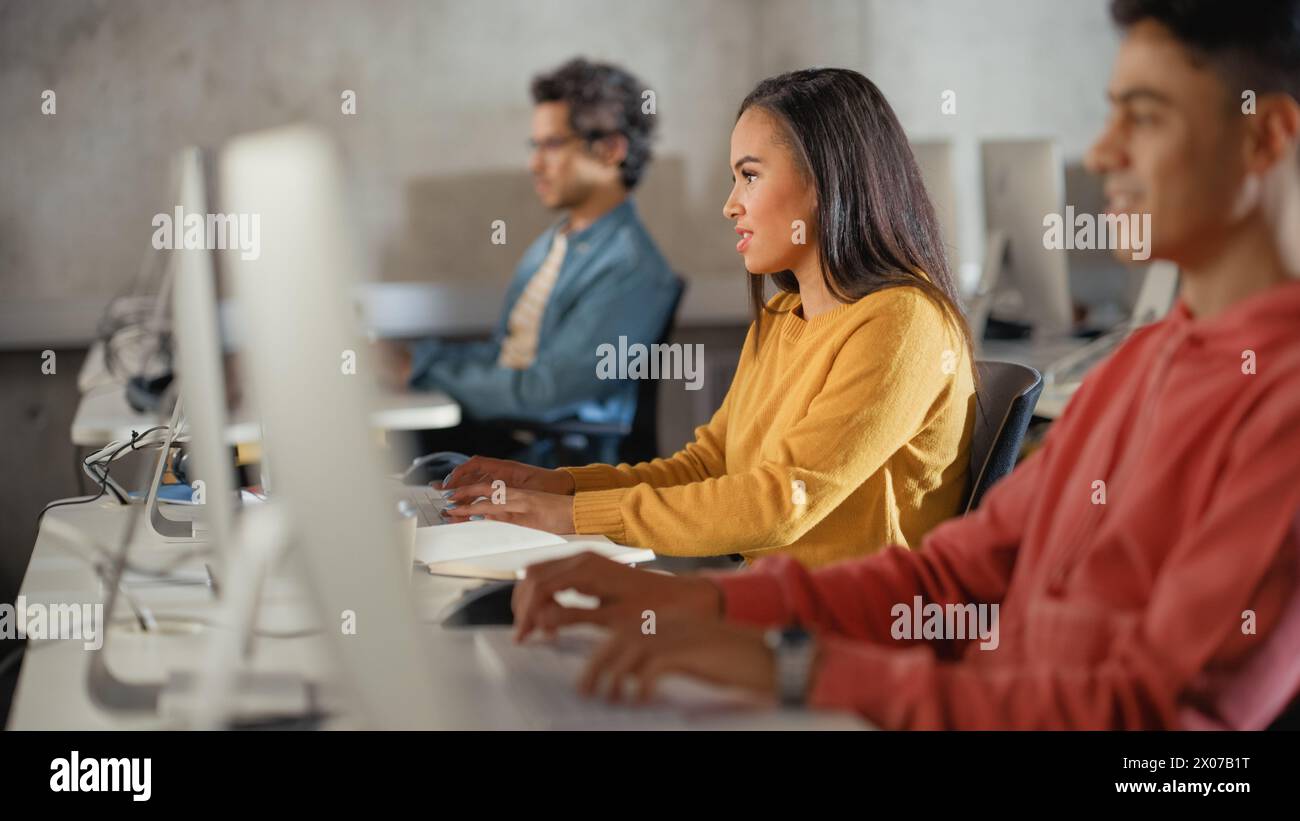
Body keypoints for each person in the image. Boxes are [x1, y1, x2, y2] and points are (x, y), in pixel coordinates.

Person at [510, 0, 1300, 730]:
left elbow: (1161, 732)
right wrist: (709, 605)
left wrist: (797, 668)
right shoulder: (1146, 363)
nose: (1101, 152)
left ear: (1264, 137)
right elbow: (951, 580)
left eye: (1146, 116)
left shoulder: (1282, 403)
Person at [442, 68, 977, 567]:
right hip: (774, 611)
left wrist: (570, 519)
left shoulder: (904, 324)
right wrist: (558, 487)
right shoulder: (782, 316)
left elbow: (779, 504)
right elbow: (708, 468)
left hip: (854, 636)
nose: (730, 204)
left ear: (824, 183)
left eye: (749, 176)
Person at [392, 57, 679, 460]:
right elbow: (503, 356)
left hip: (548, 461)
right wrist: (414, 359)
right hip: (504, 439)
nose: (534, 163)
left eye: (553, 144)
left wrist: (420, 369)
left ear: (611, 149)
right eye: (535, 145)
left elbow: (544, 394)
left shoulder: (634, 269)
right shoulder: (552, 244)